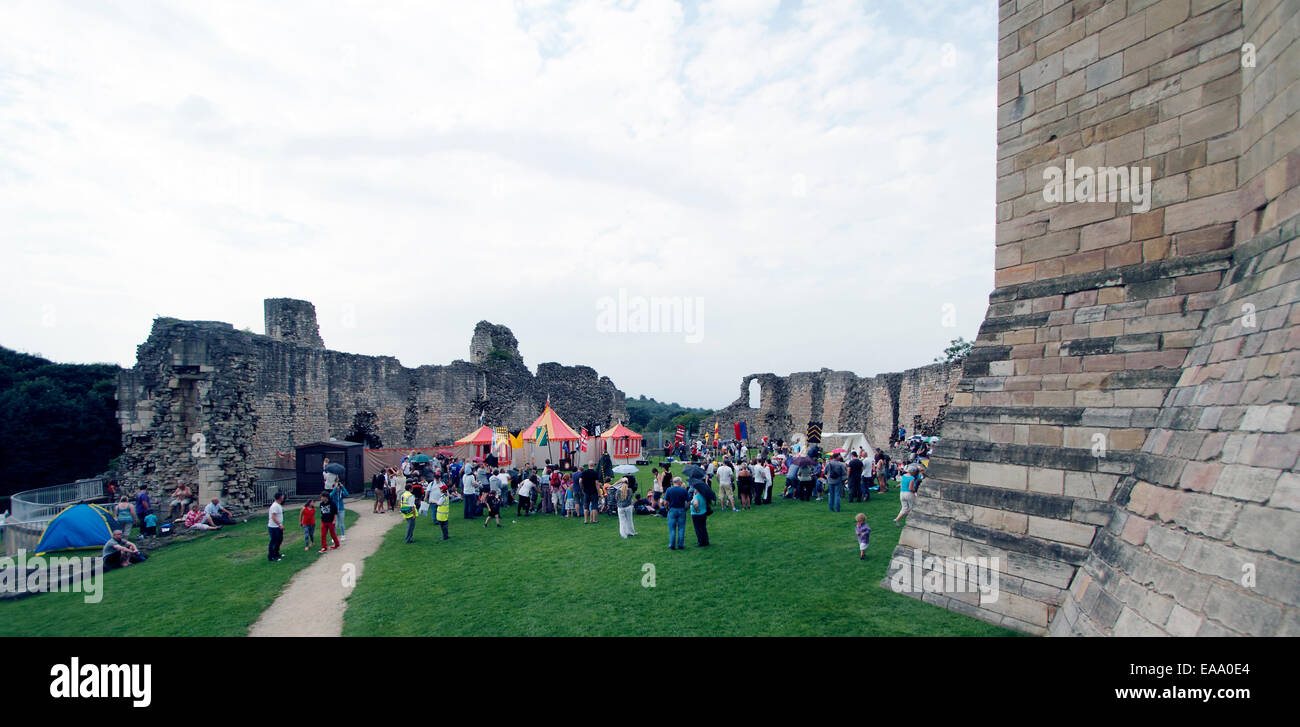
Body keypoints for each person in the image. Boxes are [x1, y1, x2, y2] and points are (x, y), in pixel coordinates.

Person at [663, 477, 690, 550]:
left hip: (672, 510)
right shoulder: (684, 490)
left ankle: (672, 545)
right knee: (681, 528)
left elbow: (665, 502)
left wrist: (667, 508)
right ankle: (680, 545)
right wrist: (686, 508)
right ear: (679, 482)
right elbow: (689, 502)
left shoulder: (669, 490)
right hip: (681, 509)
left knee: (672, 528)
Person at [267, 492, 285, 562]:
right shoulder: (274, 506)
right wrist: (279, 525)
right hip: (273, 527)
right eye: (282, 496)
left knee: (279, 540)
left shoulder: (279, 505)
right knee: (274, 541)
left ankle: (276, 553)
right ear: (280, 497)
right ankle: (271, 556)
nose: (283, 497)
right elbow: (273, 517)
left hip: (278, 526)